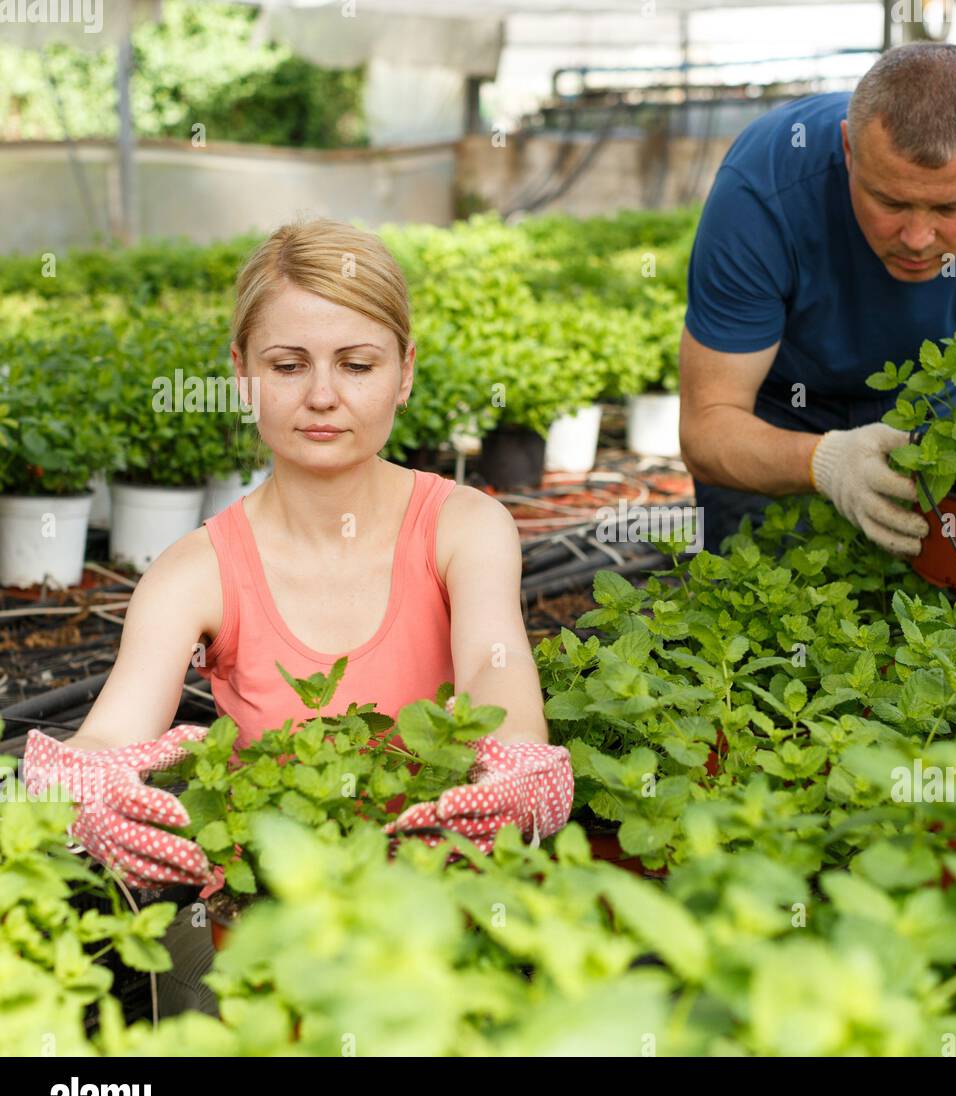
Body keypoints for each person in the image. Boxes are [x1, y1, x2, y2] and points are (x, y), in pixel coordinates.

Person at [19, 219, 575, 1014]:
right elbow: (112, 729)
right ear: (242, 374)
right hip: (268, 919)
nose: (322, 395)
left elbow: (496, 664)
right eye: (288, 364)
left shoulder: (463, 525)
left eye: (358, 364)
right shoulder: (195, 569)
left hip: (443, 897)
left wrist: (519, 761)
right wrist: (81, 780)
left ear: (406, 372)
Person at [679, 42, 956, 607]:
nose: (917, 239)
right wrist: (824, 462)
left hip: (940, 425)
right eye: (890, 201)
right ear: (849, 148)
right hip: (782, 415)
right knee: (760, 614)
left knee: (941, 626)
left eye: (951, 208)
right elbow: (708, 426)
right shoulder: (764, 188)